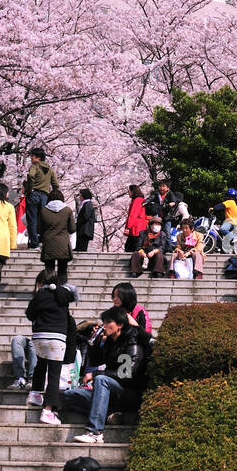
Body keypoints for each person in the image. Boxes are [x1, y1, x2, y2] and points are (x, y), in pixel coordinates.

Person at [63, 306, 149, 445]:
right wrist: (94, 343)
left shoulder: (132, 342)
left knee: (101, 379)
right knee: (69, 396)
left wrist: (98, 374)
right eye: (104, 322)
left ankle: (95, 432)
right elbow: (96, 361)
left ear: (120, 324)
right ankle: (109, 414)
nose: (105, 326)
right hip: (109, 391)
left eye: (109, 322)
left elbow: (126, 373)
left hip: (127, 392)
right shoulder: (111, 341)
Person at [27, 271, 78, 427]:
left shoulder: (39, 295)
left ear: (42, 282)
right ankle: (48, 411)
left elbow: (30, 314)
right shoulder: (64, 296)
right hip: (57, 338)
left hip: (39, 336)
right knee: (54, 375)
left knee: (41, 365)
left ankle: (35, 394)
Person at [39, 188, 76, 281]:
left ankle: (49, 292)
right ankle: (62, 291)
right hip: (63, 245)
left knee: (49, 271)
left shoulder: (43, 210)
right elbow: (72, 229)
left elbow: (38, 229)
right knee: (62, 271)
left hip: (48, 245)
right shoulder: (67, 210)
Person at [24, 149, 56, 249]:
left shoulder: (34, 166)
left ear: (38, 157)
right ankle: (43, 241)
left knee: (32, 219)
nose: (31, 158)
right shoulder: (49, 169)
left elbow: (31, 175)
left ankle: (34, 243)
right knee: (43, 220)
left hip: (34, 194)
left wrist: (29, 189)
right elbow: (56, 184)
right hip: (45, 196)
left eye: (32, 156)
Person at [123, 185, 147, 254]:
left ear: (133, 191)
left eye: (129, 191)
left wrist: (128, 227)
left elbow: (133, 214)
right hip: (139, 227)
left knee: (130, 248)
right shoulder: (140, 200)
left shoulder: (137, 201)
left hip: (136, 228)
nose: (128, 193)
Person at [74, 188, 97, 253]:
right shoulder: (86, 204)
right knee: (80, 247)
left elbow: (85, 216)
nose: (79, 197)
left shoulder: (87, 204)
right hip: (83, 230)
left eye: (80, 195)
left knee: (81, 248)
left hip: (84, 230)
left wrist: (77, 223)